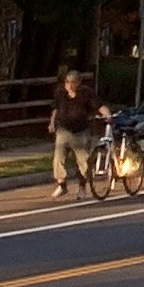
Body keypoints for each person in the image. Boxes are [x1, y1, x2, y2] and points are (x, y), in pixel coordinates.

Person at [49, 69, 100, 198]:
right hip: (64, 130)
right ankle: (62, 185)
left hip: (81, 131)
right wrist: (52, 123)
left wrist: (107, 113)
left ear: (78, 83)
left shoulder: (86, 93)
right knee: (58, 158)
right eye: (67, 82)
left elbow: (98, 106)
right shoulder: (60, 93)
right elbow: (56, 109)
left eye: (73, 82)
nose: (69, 85)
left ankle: (82, 187)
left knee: (83, 161)